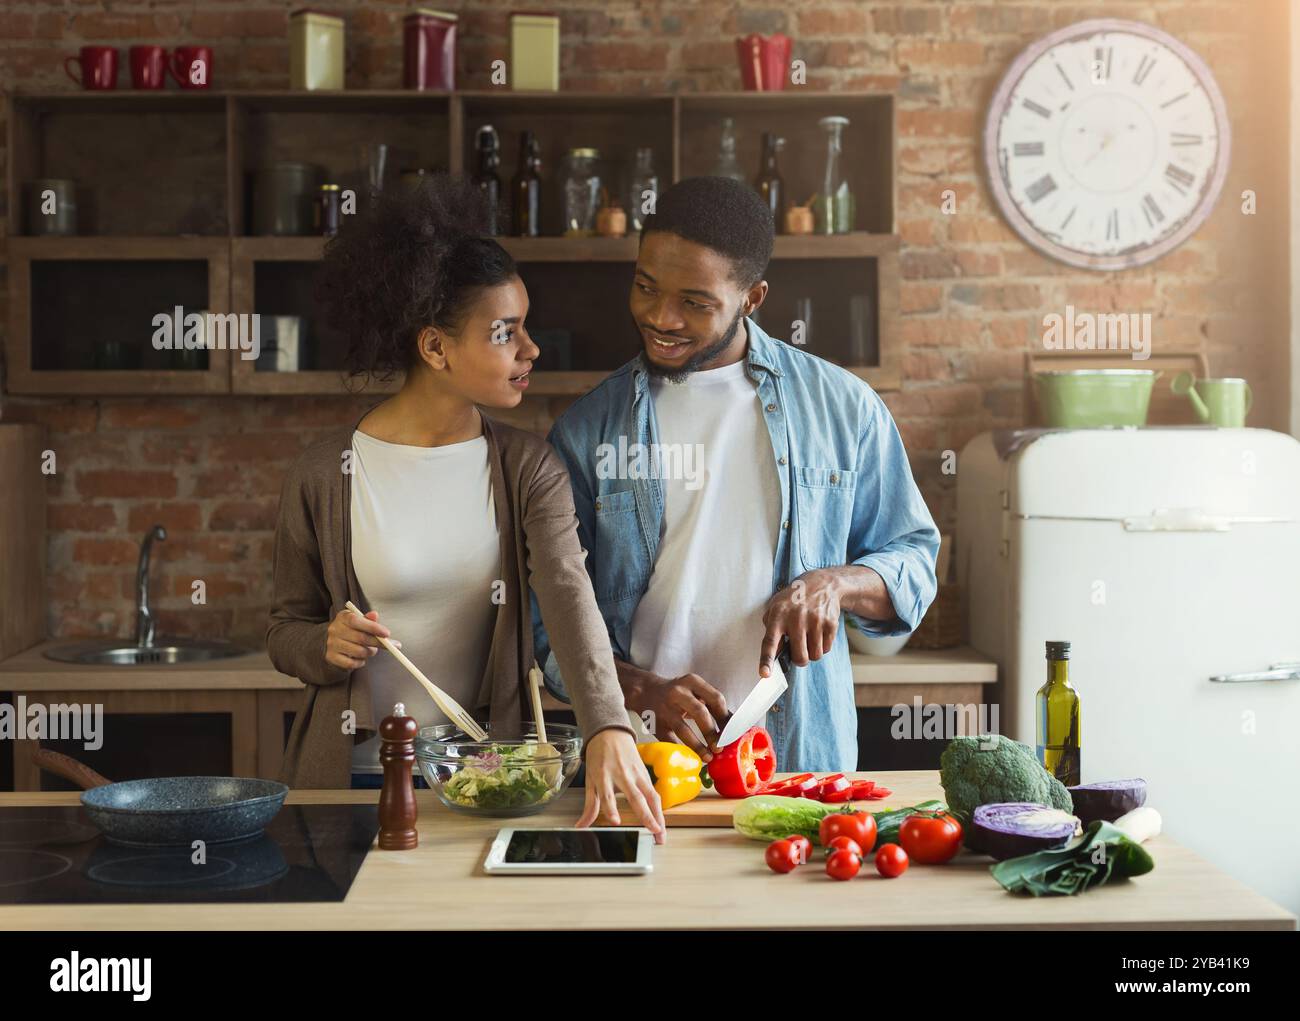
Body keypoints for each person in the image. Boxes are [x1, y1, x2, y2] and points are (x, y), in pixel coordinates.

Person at [267, 175, 665, 840]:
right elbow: (284, 631)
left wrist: (608, 725)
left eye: (525, 327)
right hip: (354, 778)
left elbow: (569, 596)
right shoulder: (323, 474)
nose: (531, 349)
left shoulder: (529, 468)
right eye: (505, 332)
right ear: (435, 347)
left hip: (486, 780)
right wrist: (325, 644)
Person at [536, 176, 939, 773]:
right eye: (646, 287)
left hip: (799, 760)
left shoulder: (843, 407)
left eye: (694, 302)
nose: (659, 317)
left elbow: (915, 563)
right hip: (646, 765)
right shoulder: (586, 429)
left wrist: (835, 583)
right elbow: (549, 626)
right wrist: (641, 690)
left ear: (752, 298)